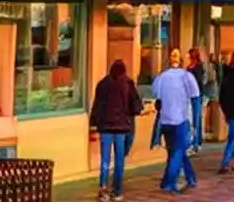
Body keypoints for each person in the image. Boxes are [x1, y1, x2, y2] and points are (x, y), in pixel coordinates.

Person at [89, 60, 143, 202]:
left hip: (105, 127)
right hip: (122, 128)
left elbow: (97, 106)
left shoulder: (103, 84)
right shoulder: (128, 84)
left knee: (105, 160)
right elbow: (136, 106)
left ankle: (103, 189)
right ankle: (117, 190)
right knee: (119, 161)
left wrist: (93, 124)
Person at [151, 49, 200, 193]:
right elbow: (195, 96)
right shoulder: (186, 76)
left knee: (175, 151)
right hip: (180, 119)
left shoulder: (162, 77)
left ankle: (191, 178)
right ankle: (169, 182)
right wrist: (195, 124)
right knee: (178, 152)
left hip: (166, 120)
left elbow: (155, 93)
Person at [185, 48, 208, 154]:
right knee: (193, 119)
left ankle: (195, 143)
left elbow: (199, 83)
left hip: (196, 96)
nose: (187, 57)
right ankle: (196, 142)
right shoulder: (190, 67)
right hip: (190, 96)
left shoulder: (197, 67)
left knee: (195, 119)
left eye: (189, 55)